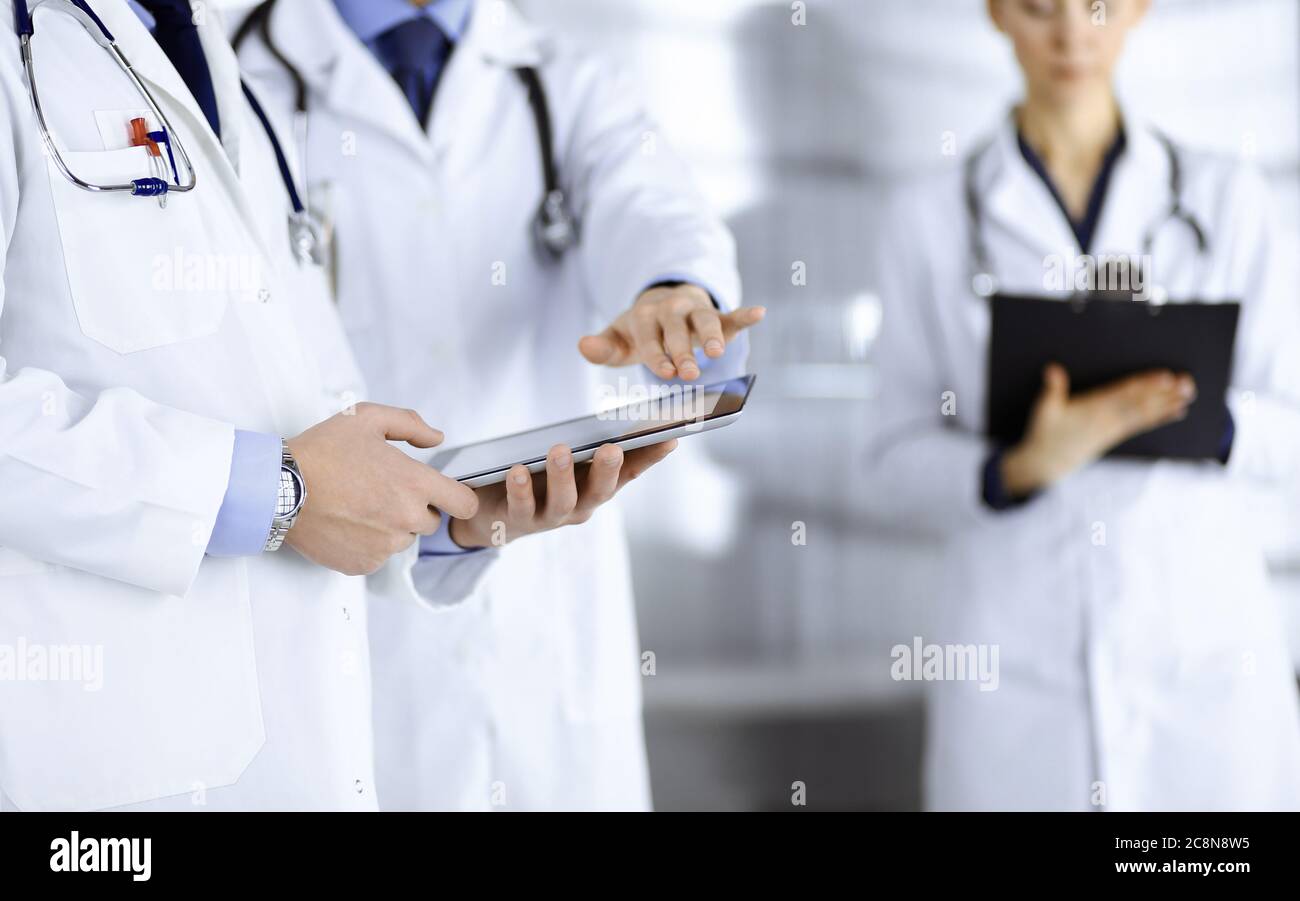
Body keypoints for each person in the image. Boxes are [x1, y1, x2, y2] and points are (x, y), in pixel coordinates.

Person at [0, 0, 670, 811]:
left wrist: (448, 518)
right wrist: (276, 490)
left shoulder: (210, 59)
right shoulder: (26, 51)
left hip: (303, 762)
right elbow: (287, 476)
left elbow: (306, 410)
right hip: (108, 788)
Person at [234, 0, 761, 810]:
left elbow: (655, 209)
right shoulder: (237, 78)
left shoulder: (565, 82)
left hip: (547, 642)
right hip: (343, 636)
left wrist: (672, 295)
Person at [863, 0, 1300, 810]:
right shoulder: (928, 217)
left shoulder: (1226, 199)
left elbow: (1293, 428)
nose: (1071, 34)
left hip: (1200, 663)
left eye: (1097, 5)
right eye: (1038, 8)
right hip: (1015, 678)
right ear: (996, 12)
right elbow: (891, 461)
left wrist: (1185, 414)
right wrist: (1017, 466)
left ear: (1138, 9)